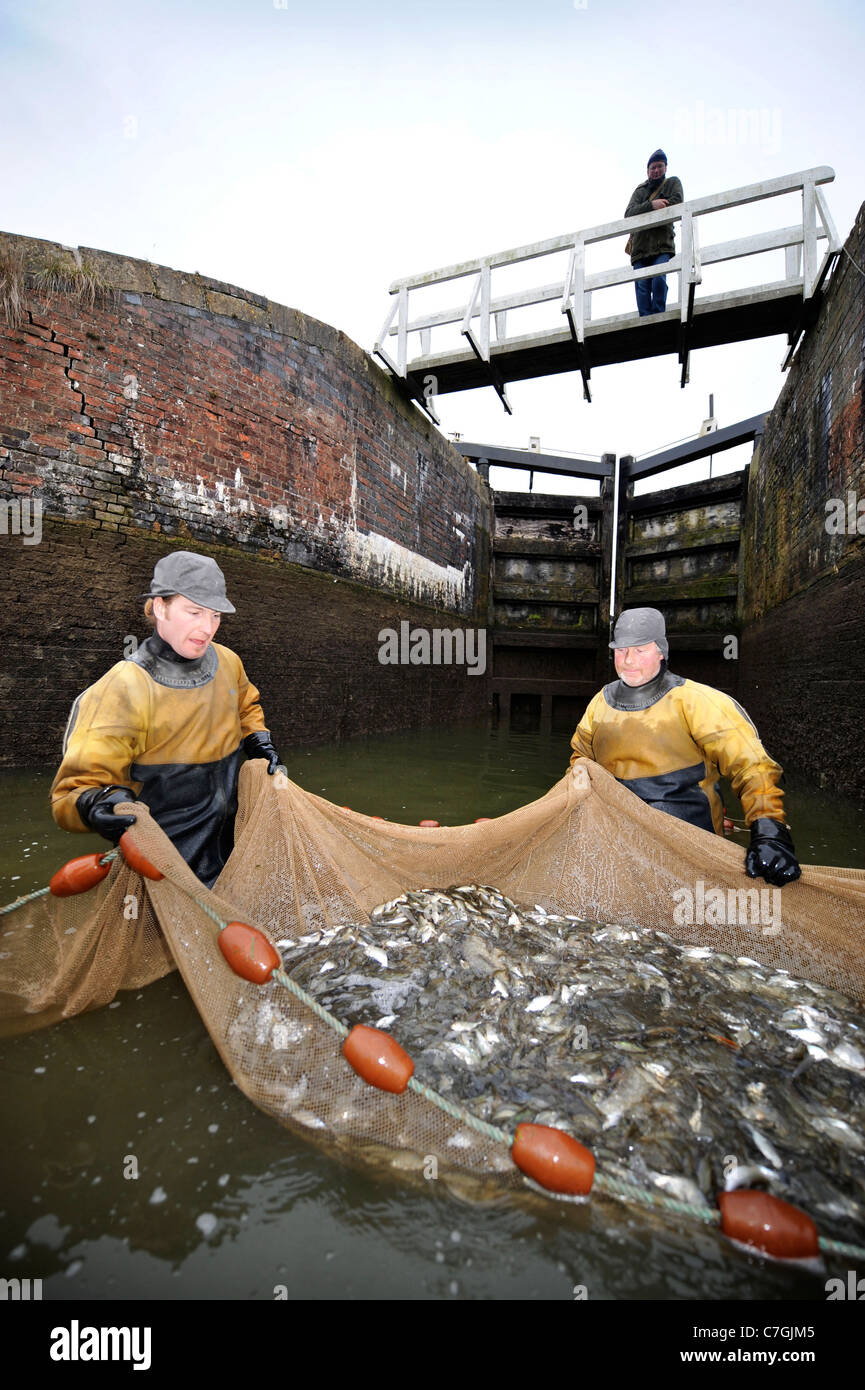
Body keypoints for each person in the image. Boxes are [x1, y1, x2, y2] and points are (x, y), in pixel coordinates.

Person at [51, 551, 283, 888]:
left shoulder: (229, 662)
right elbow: (69, 795)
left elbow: (247, 707)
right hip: (164, 870)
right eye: (194, 612)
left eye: (215, 614)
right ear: (160, 607)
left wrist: (259, 742)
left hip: (233, 855)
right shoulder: (124, 687)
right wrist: (97, 803)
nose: (207, 628)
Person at [569, 608, 801, 887]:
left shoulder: (698, 701)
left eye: (640, 650)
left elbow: (752, 766)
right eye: (621, 651)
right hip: (616, 843)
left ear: (661, 652)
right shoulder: (600, 703)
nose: (628, 660)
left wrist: (769, 831)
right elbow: (580, 760)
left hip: (689, 846)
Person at [625, 149, 684, 317]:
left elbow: (677, 202)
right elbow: (629, 213)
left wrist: (654, 208)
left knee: (659, 280)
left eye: (659, 166)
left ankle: (658, 315)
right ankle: (645, 319)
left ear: (665, 167)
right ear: (647, 171)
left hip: (661, 245)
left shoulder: (672, 183)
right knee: (642, 286)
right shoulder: (640, 191)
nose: (656, 170)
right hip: (640, 249)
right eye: (653, 167)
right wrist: (653, 205)